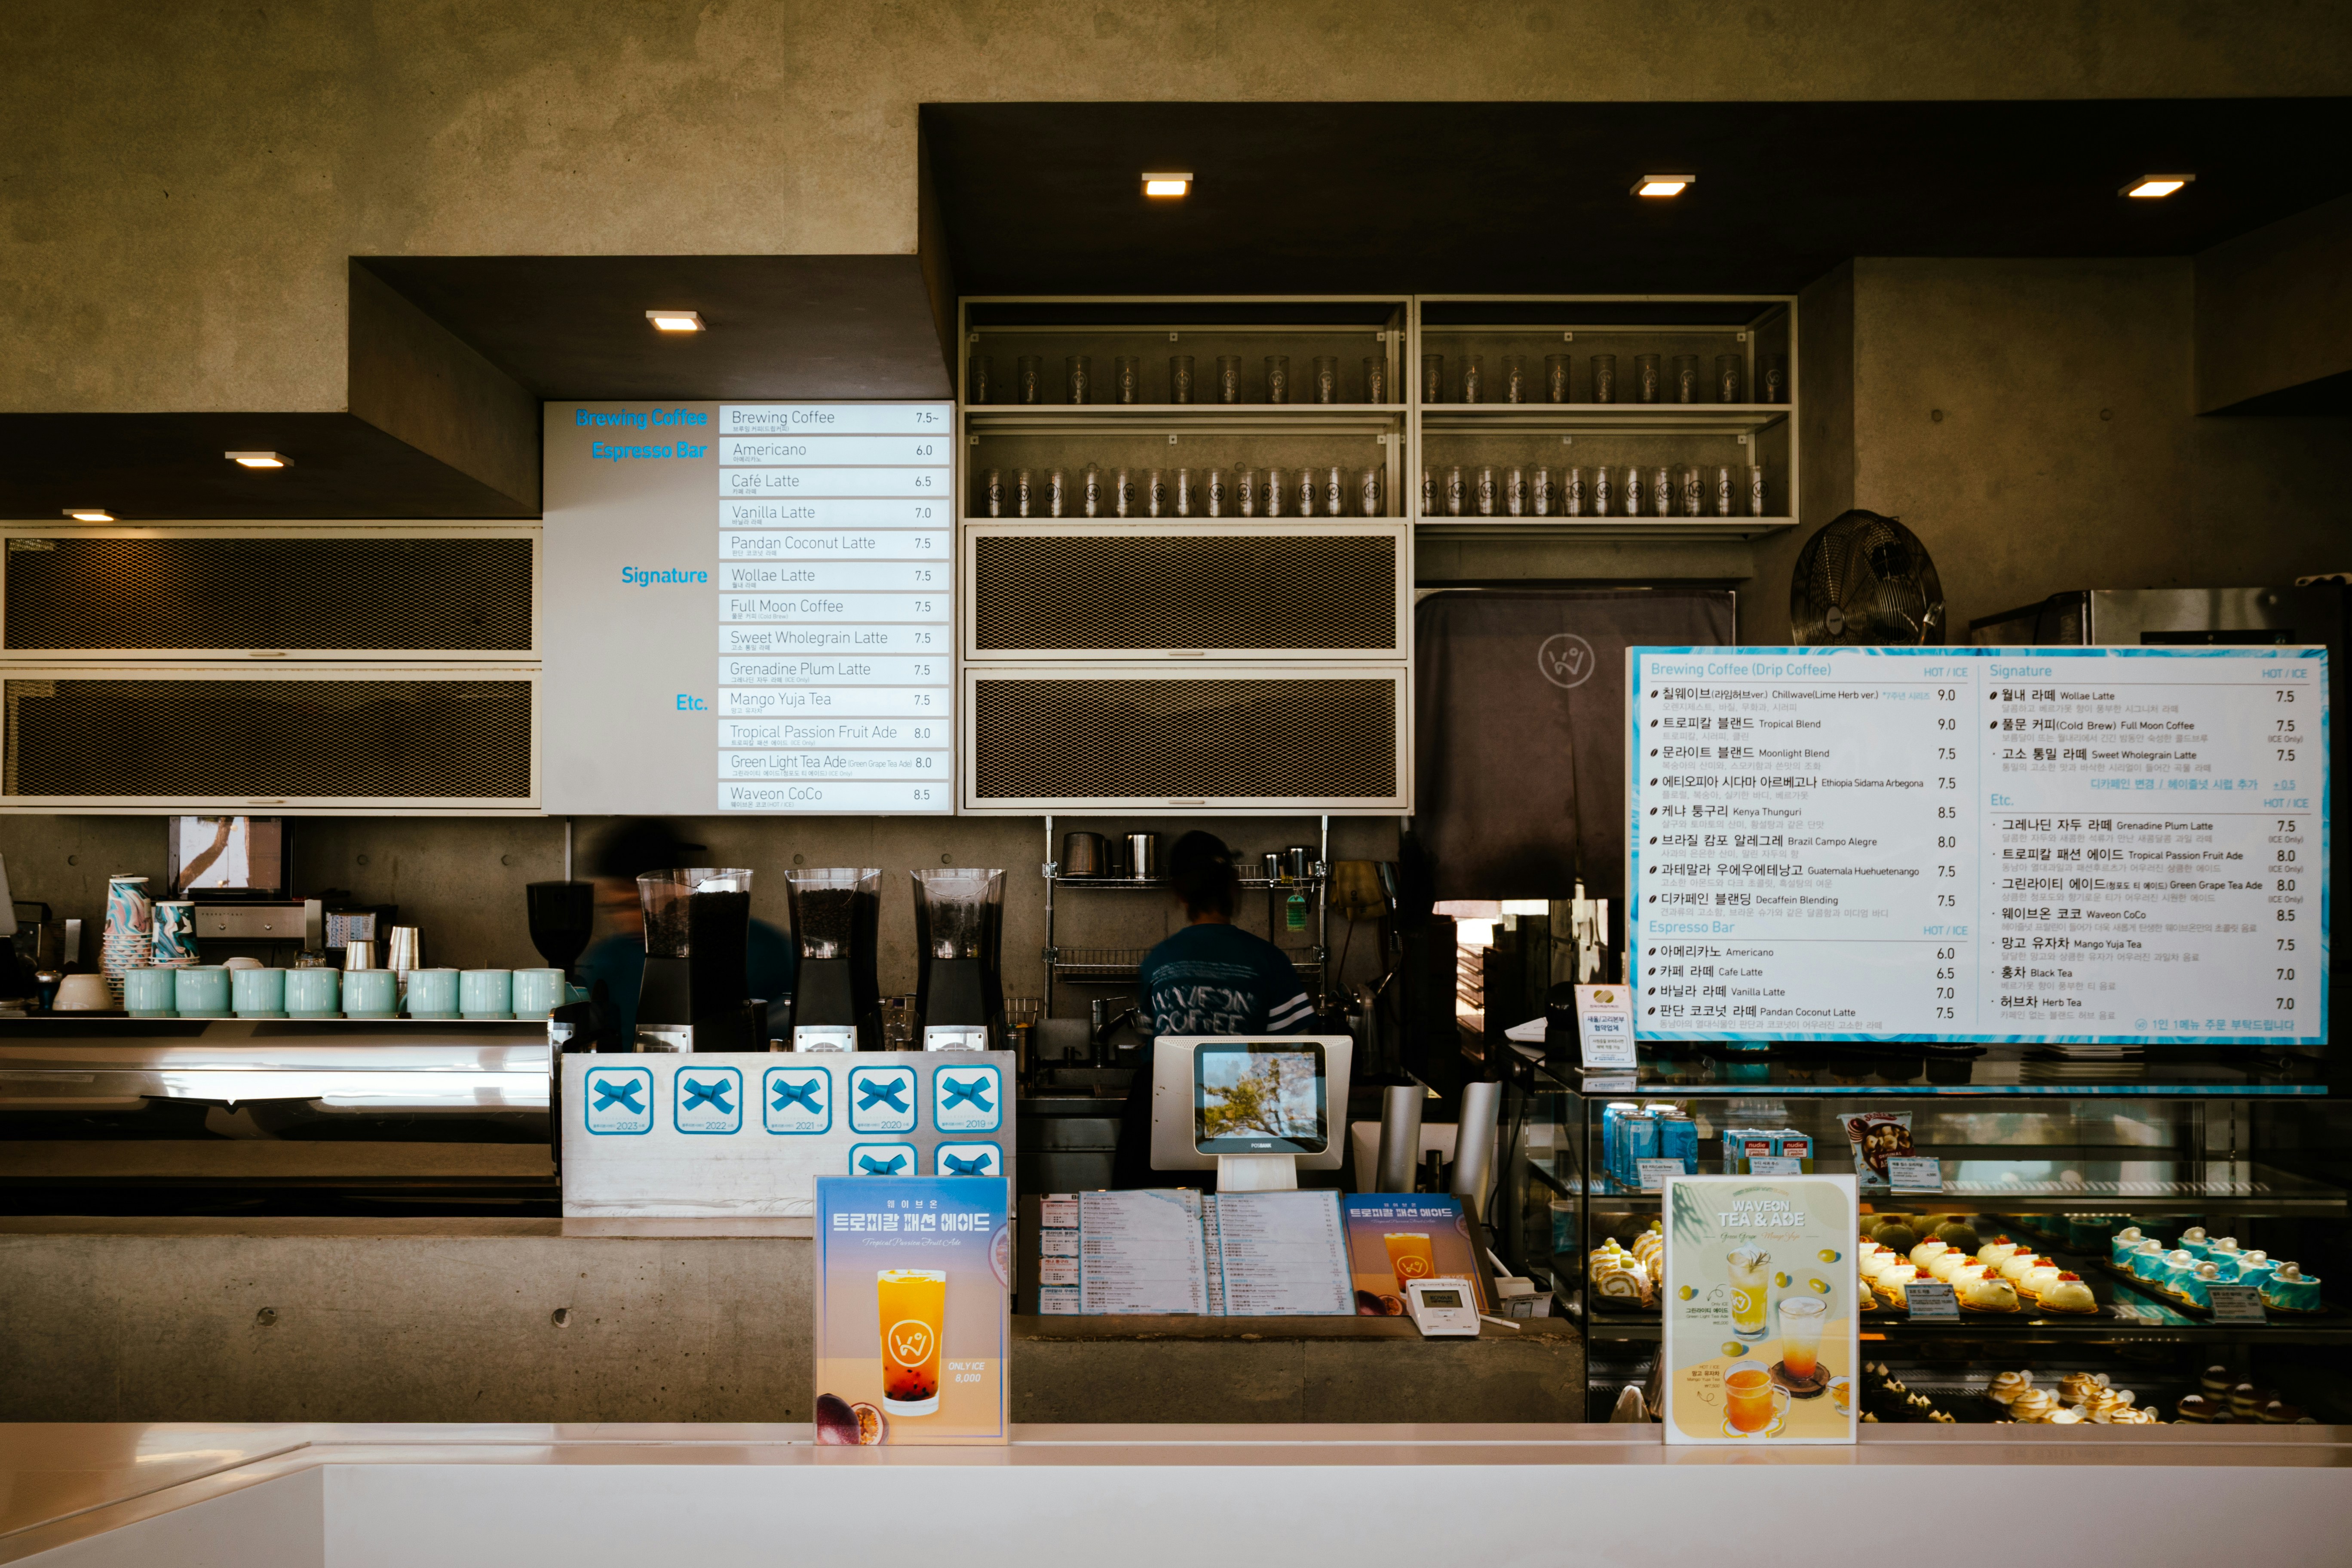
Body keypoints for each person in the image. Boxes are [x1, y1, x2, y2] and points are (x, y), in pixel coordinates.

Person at [1112, 831, 1316, 1188]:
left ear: (1179, 894)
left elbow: (1151, 1045)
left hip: (1162, 1123)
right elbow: (1297, 1055)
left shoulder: (1158, 960)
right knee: (1239, 1230)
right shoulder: (1269, 960)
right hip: (1242, 1127)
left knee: (1154, 1229)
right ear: (1232, 888)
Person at [575, 819, 794, 1044]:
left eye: (635, 904)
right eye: (613, 908)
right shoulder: (610, 960)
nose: (626, 920)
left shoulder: (754, 948)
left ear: (680, 887)